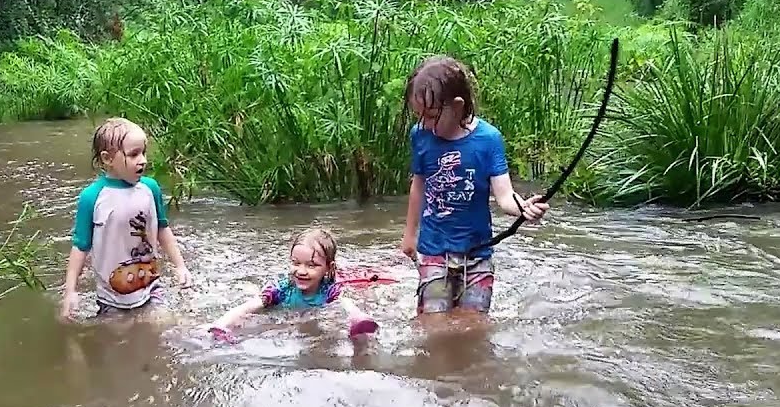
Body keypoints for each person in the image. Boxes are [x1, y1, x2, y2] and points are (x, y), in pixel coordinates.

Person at [398, 55, 548, 318]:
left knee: (473, 327)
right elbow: (418, 185)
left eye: (432, 116)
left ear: (457, 107)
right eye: (418, 115)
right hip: (434, 249)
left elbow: (503, 195)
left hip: (478, 254)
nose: (425, 124)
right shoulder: (420, 135)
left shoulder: (488, 140)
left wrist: (523, 208)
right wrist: (410, 235)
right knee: (432, 323)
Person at [61, 117, 193, 321]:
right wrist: (70, 292)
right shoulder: (92, 197)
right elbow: (80, 246)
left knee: (163, 324)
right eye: (133, 154)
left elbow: (162, 229)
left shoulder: (150, 189)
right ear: (107, 159)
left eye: (143, 152)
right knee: (116, 339)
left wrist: (180, 266)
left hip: (150, 285)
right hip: (111, 295)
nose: (143, 160)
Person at [208, 228, 377, 340]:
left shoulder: (328, 290)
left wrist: (357, 317)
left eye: (311, 265)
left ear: (328, 268)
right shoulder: (281, 289)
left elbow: (345, 302)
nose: (301, 271)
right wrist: (221, 324)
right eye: (296, 263)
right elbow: (247, 307)